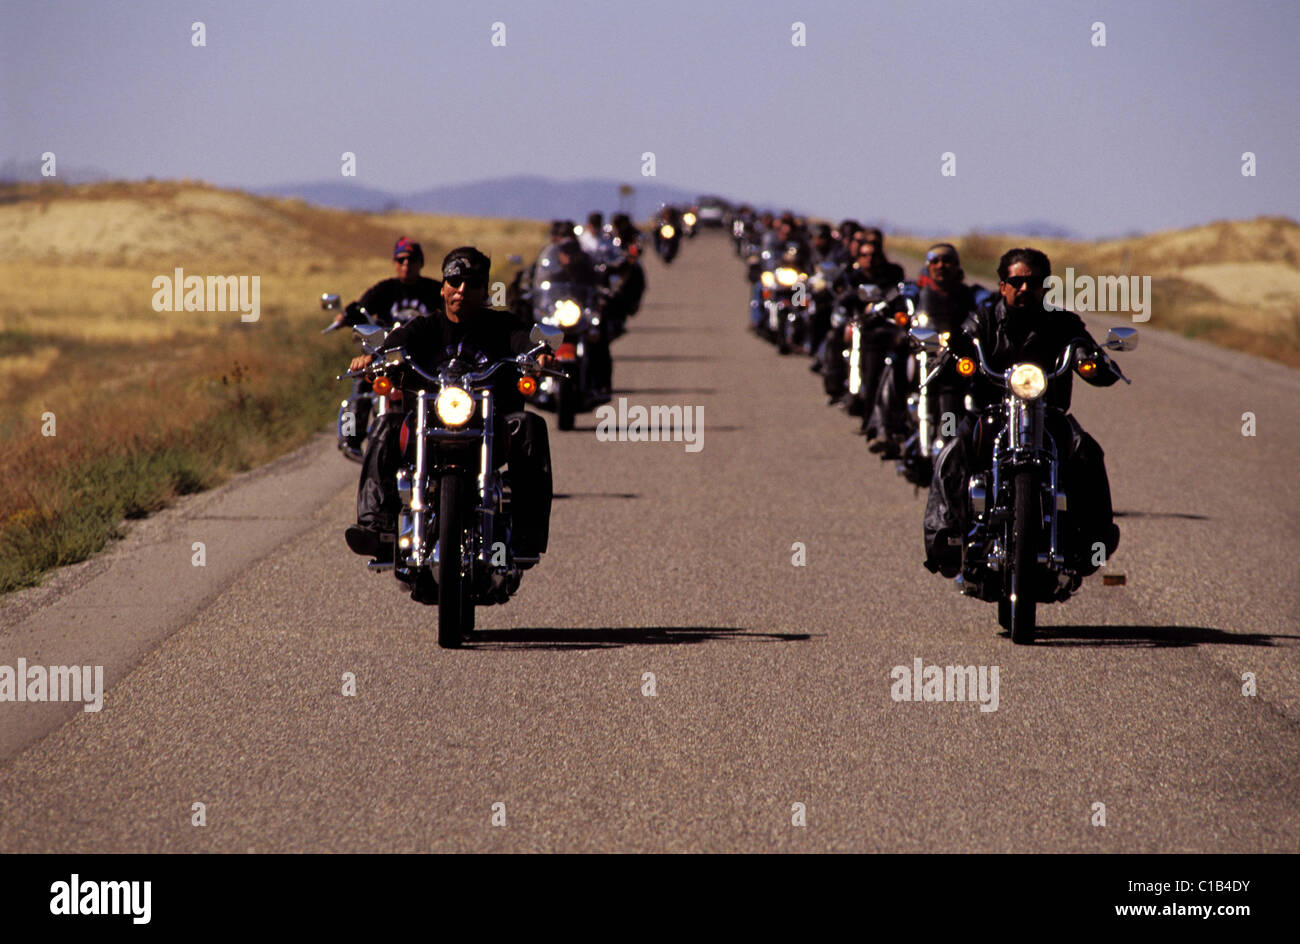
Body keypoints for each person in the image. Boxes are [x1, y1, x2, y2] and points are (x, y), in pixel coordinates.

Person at [344, 247, 555, 572]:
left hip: (490, 428)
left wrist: (538, 355)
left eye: (471, 284)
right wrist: (373, 358)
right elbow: (392, 344)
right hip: (427, 427)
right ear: (442, 287)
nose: (461, 290)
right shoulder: (424, 328)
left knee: (530, 426)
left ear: (485, 290)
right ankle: (376, 526)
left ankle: (529, 531)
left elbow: (525, 341)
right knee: (386, 424)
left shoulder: (502, 326)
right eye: (454, 282)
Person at [923, 247, 1122, 577]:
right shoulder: (984, 319)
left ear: (1046, 286)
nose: (1025, 288)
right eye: (1016, 281)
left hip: (1049, 416)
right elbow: (960, 343)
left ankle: (1092, 542)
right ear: (1003, 286)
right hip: (992, 414)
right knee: (953, 450)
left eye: (1034, 282)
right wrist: (953, 357)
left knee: (1087, 452)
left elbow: (1084, 348)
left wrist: (1090, 361)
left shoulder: (1062, 323)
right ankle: (948, 537)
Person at [867, 244, 992, 450]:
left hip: (955, 352)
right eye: (935, 261)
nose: (941, 266)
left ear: (956, 266)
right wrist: (890, 303)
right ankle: (885, 428)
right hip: (923, 347)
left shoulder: (969, 293)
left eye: (947, 261)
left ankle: (970, 438)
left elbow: (985, 301)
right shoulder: (916, 290)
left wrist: (988, 305)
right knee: (894, 363)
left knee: (979, 377)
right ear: (928, 266)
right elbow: (900, 294)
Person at [331, 238, 443, 457]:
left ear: (421, 262)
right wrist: (345, 316)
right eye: (401, 259)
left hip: (422, 355)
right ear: (394, 262)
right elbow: (361, 307)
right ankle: (352, 436)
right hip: (386, 352)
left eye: (411, 259)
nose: (406, 264)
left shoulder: (434, 290)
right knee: (361, 379)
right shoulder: (385, 289)